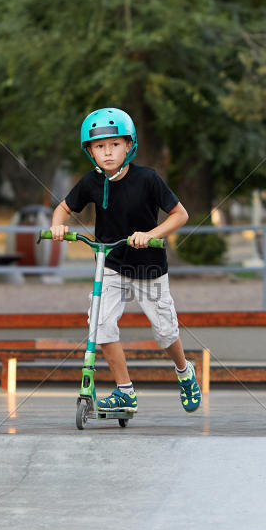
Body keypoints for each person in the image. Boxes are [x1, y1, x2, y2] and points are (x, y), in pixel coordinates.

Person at [49, 107, 202, 414]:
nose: (107, 152)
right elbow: (64, 208)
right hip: (110, 265)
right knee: (99, 325)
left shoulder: (148, 179)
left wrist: (151, 233)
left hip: (149, 267)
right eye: (100, 146)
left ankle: (184, 371)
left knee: (166, 332)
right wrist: (58, 225)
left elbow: (180, 214)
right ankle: (125, 391)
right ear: (90, 151)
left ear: (129, 145)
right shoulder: (91, 181)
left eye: (114, 144)